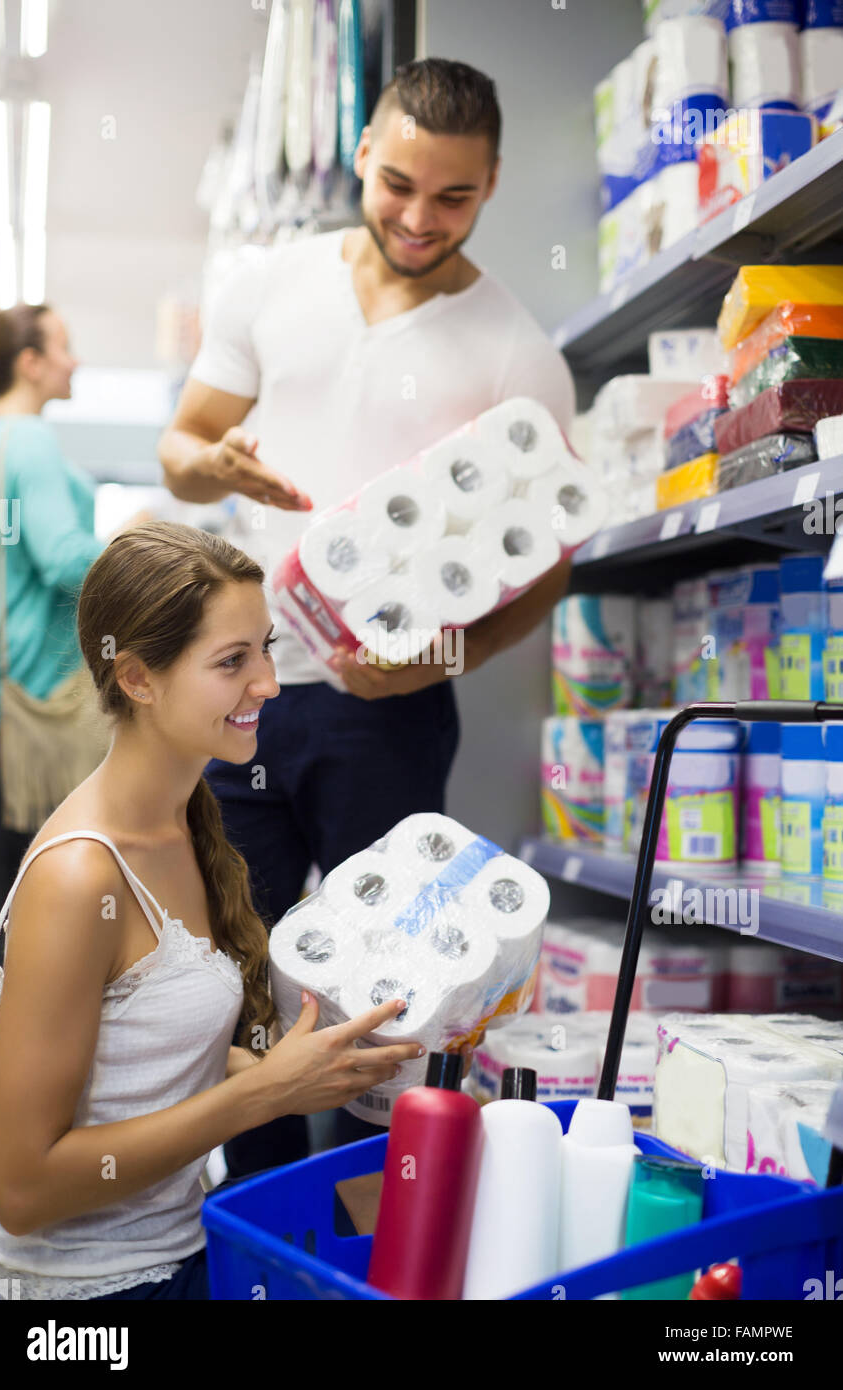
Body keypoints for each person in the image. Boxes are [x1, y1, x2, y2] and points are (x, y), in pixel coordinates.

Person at [159, 57, 575, 1173]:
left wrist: (444, 652)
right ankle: (260, 1224)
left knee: (386, 993)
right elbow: (182, 445)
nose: (417, 217)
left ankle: (356, 1245)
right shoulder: (268, 284)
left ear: (491, 183)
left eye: (453, 196)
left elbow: (544, 569)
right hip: (239, 694)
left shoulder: (516, 354)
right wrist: (217, 465)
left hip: (382, 712)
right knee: (239, 976)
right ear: (359, 155)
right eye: (397, 184)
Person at [0, 521, 423, 1300]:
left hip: (182, 1250)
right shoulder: (82, 878)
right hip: (88, 1299)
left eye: (267, 648)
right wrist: (264, 1093)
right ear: (139, 679)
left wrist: (322, 1071)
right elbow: (19, 1189)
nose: (271, 685)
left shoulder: (188, 823)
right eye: (232, 662)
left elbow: (148, 1057)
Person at [0, 304, 103, 1149]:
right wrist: (163, 556)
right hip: (46, 707)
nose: (75, 358)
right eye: (63, 345)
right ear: (28, 362)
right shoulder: (33, 445)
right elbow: (62, 557)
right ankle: (53, 1105)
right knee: (56, 904)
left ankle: (2, 1094)